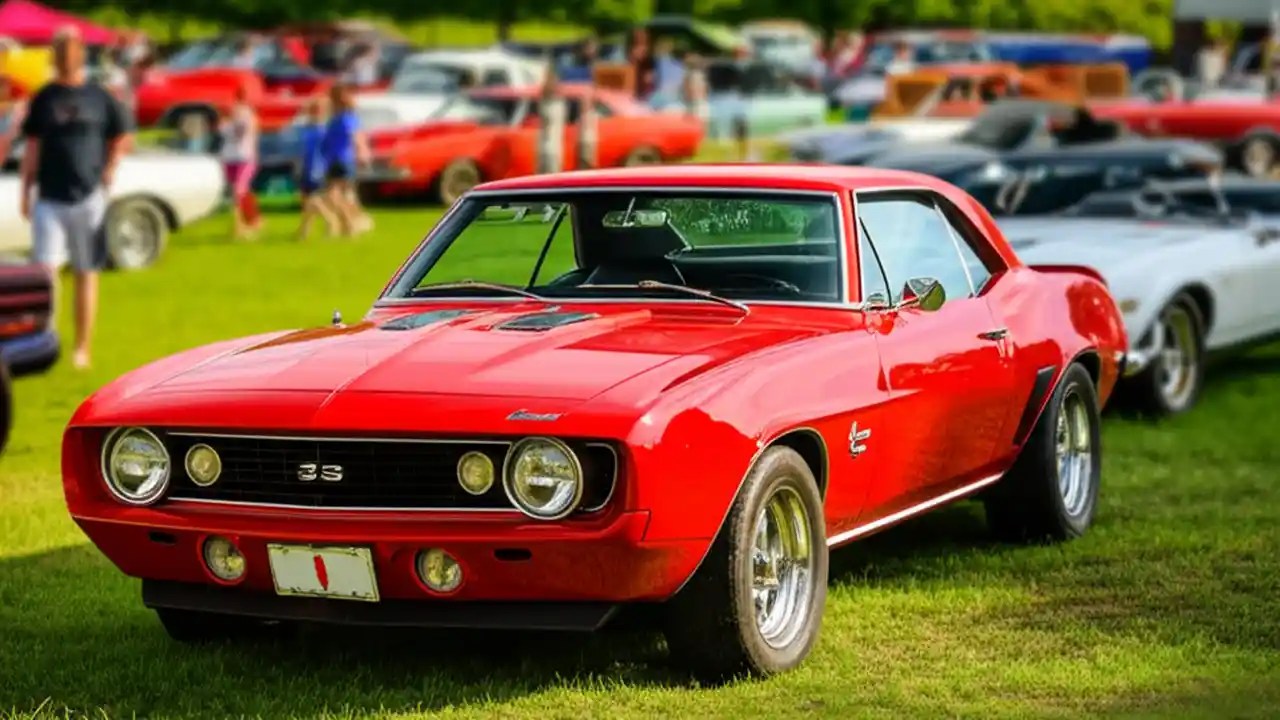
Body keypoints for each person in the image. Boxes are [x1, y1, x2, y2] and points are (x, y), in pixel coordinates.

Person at [21, 27, 131, 370]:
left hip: (88, 197)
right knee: (45, 274)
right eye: (60, 50)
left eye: (71, 50)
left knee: (86, 271)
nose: (66, 57)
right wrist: (25, 189)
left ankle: (82, 347)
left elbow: (123, 134)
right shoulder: (44, 98)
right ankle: (45, 343)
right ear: (54, 57)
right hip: (50, 197)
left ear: (81, 54)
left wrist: (112, 165)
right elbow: (33, 146)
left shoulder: (100, 97)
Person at [320, 83, 371, 236]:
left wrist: (362, 153)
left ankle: (350, 223)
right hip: (335, 159)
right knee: (346, 195)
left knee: (333, 196)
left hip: (340, 159)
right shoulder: (338, 117)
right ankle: (351, 224)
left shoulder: (345, 118)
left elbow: (356, 136)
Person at [219, 84, 260, 239]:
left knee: (239, 191)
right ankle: (250, 221)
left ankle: (239, 227)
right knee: (239, 192)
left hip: (244, 157)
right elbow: (224, 132)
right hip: (230, 156)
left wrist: (234, 119)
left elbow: (244, 132)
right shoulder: (231, 115)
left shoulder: (248, 115)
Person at [295, 96, 337, 240]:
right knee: (306, 199)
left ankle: (330, 221)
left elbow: (323, 150)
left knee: (313, 198)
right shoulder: (309, 126)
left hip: (315, 167)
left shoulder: (321, 129)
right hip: (307, 165)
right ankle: (304, 230)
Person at [649, 38, 684, 108]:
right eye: (660, 47)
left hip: (670, 98)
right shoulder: (653, 63)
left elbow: (677, 84)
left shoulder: (677, 65)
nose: (661, 50)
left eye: (665, 47)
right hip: (656, 98)